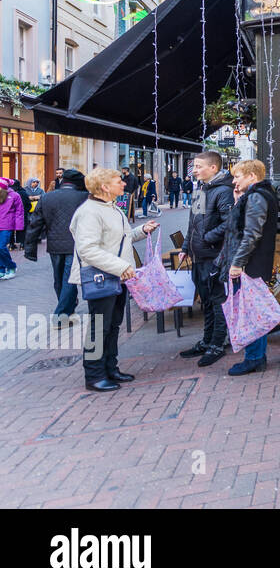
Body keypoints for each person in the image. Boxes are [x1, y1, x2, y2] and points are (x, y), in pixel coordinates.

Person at [70, 167, 159, 392]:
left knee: (112, 324)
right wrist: (122, 267)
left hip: (118, 276)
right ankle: (94, 375)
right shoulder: (90, 211)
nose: (124, 183)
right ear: (105, 187)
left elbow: (118, 239)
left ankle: (110, 367)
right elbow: (88, 250)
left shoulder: (111, 208)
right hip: (104, 276)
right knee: (99, 327)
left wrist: (140, 231)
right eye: (119, 181)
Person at [220, 159, 280, 376]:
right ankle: (256, 356)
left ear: (252, 177)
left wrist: (237, 263)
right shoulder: (258, 195)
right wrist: (238, 201)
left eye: (238, 176)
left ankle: (254, 358)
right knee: (252, 308)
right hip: (255, 261)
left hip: (251, 264)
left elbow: (251, 233)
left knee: (250, 310)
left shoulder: (256, 197)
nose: (234, 180)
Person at [179, 152, 235, 368]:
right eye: (194, 166)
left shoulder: (223, 192)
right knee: (207, 301)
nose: (194, 170)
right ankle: (207, 340)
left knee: (218, 301)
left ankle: (217, 344)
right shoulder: (202, 190)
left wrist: (207, 238)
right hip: (199, 255)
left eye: (198, 166)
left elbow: (230, 223)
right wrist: (186, 246)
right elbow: (193, 221)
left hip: (214, 256)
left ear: (213, 168)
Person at [23, 169, 90, 320]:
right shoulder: (85, 197)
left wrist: (30, 249)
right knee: (69, 277)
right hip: (75, 243)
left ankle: (67, 306)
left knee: (59, 278)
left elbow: (35, 224)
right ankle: (62, 314)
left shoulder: (47, 197)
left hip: (54, 245)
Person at [0, 178, 23, 279]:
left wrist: (18, 226)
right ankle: (1, 270)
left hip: (7, 225)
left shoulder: (15, 195)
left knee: (1, 247)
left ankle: (11, 267)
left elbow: (19, 211)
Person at [10, 179, 29, 249]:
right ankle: (22, 244)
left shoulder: (8, 193)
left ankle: (11, 245)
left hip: (10, 214)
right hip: (22, 214)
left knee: (11, 228)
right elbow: (28, 204)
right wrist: (26, 211)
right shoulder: (24, 193)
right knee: (22, 228)